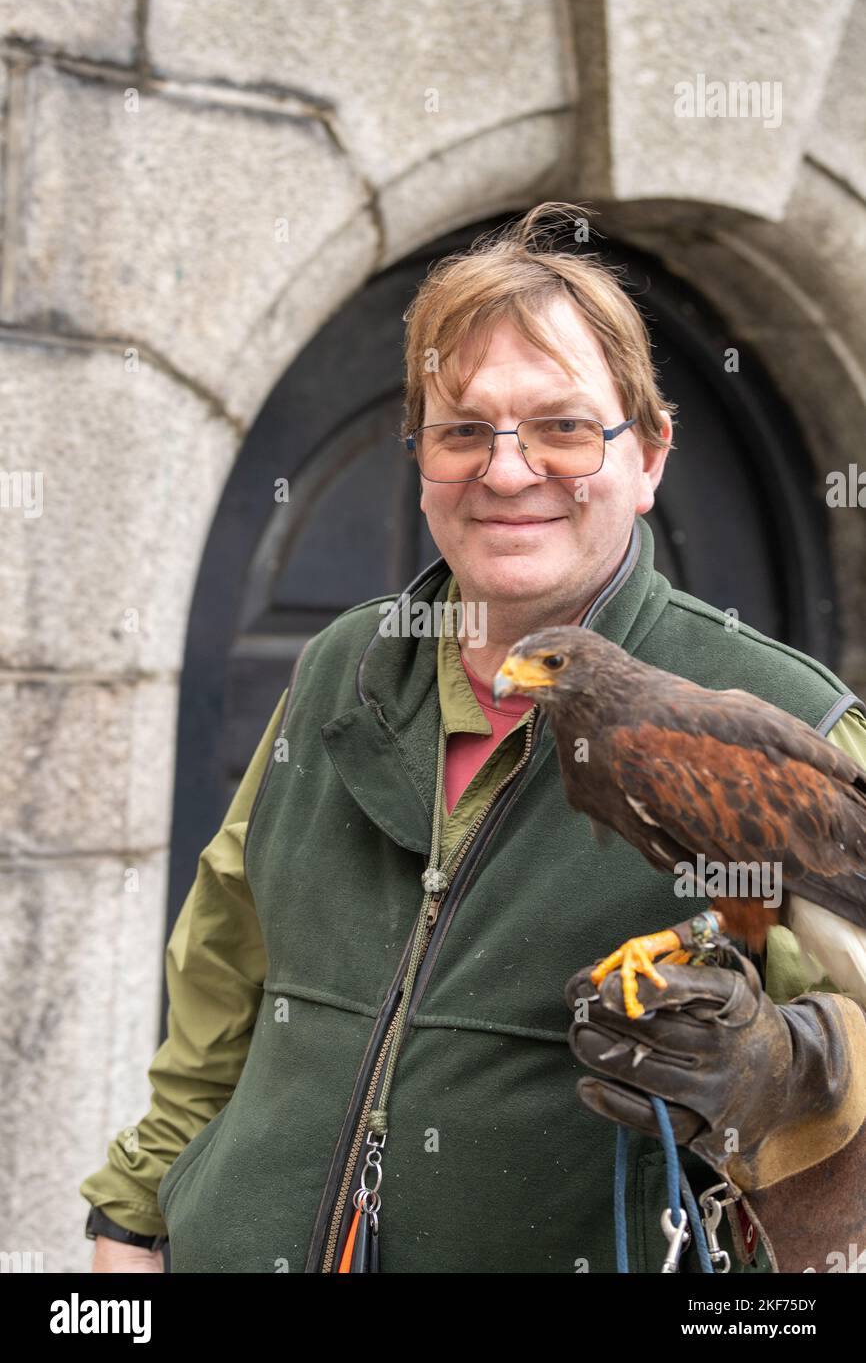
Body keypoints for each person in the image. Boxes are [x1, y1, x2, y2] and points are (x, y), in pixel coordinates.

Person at [82, 202, 866, 1273]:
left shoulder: (781, 716)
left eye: (562, 425)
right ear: (422, 460)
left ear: (647, 456)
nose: (506, 471)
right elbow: (226, 979)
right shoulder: (340, 670)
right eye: (463, 430)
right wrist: (133, 1220)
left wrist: (783, 1070)